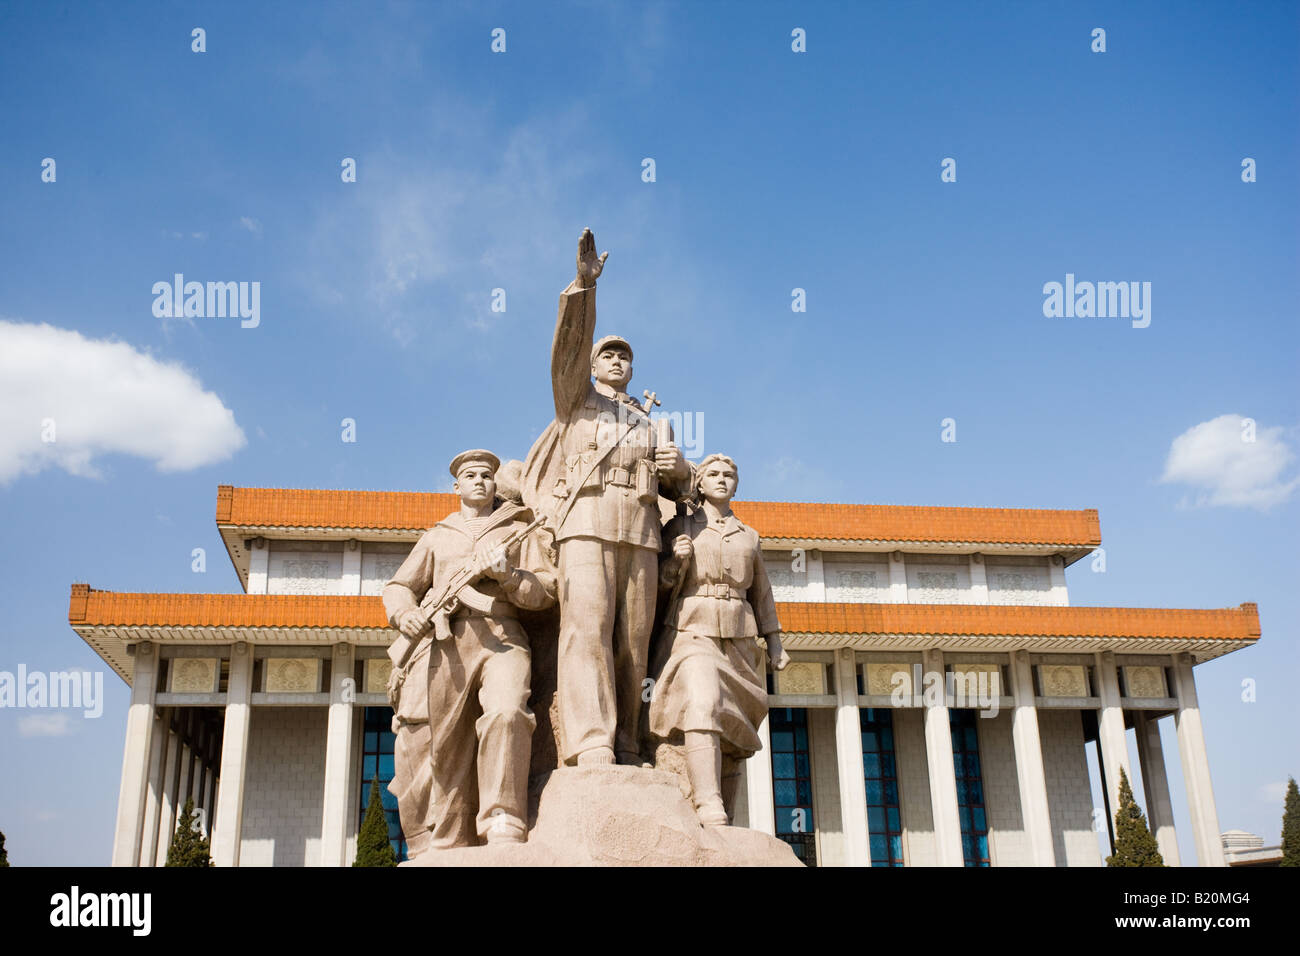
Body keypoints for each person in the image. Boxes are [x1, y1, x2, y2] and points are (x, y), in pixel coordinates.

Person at [521, 228, 693, 767]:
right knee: (585, 628)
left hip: (639, 530)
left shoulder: (650, 422)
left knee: (631, 642)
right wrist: (584, 287)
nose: (616, 361)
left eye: (624, 356)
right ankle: (591, 739)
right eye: (608, 355)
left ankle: (628, 740)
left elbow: (684, 491)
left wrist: (679, 469)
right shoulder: (576, 400)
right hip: (585, 523)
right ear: (593, 366)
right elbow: (567, 348)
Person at [382, 449, 556, 855]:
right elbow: (399, 586)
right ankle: (452, 836)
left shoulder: (518, 529)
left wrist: (508, 576)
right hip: (447, 643)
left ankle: (503, 817)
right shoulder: (438, 536)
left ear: (496, 484)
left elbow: (546, 590)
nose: (479, 481)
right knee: (450, 742)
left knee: (508, 710)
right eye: (471, 475)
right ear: (456, 486)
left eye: (486, 475)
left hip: (502, 635)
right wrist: (405, 613)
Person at [648, 453, 790, 826]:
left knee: (735, 724)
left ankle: (724, 806)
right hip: (693, 630)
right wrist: (674, 563)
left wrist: (774, 641)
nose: (722, 479)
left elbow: (762, 593)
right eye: (713, 473)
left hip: (740, 636)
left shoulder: (749, 536)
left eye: (729, 474)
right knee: (703, 702)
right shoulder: (680, 526)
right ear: (700, 482)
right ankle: (707, 802)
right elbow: (653, 589)